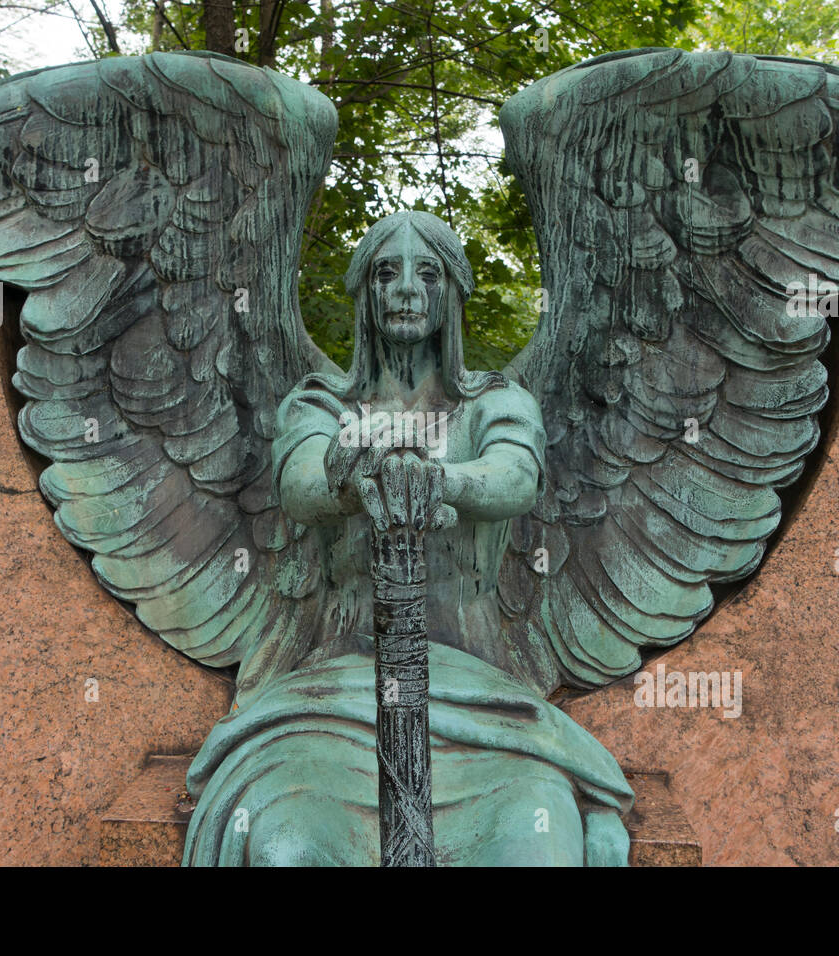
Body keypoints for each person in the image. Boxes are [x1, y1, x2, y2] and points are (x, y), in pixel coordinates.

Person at [182, 211, 633, 866]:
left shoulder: (496, 406)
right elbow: (302, 486)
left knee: (537, 845)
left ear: (455, 291)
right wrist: (349, 479)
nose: (405, 288)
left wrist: (435, 481)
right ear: (363, 291)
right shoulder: (321, 408)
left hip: (479, 701)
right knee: (291, 847)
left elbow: (515, 477)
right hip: (330, 697)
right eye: (385, 272)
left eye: (428, 272)